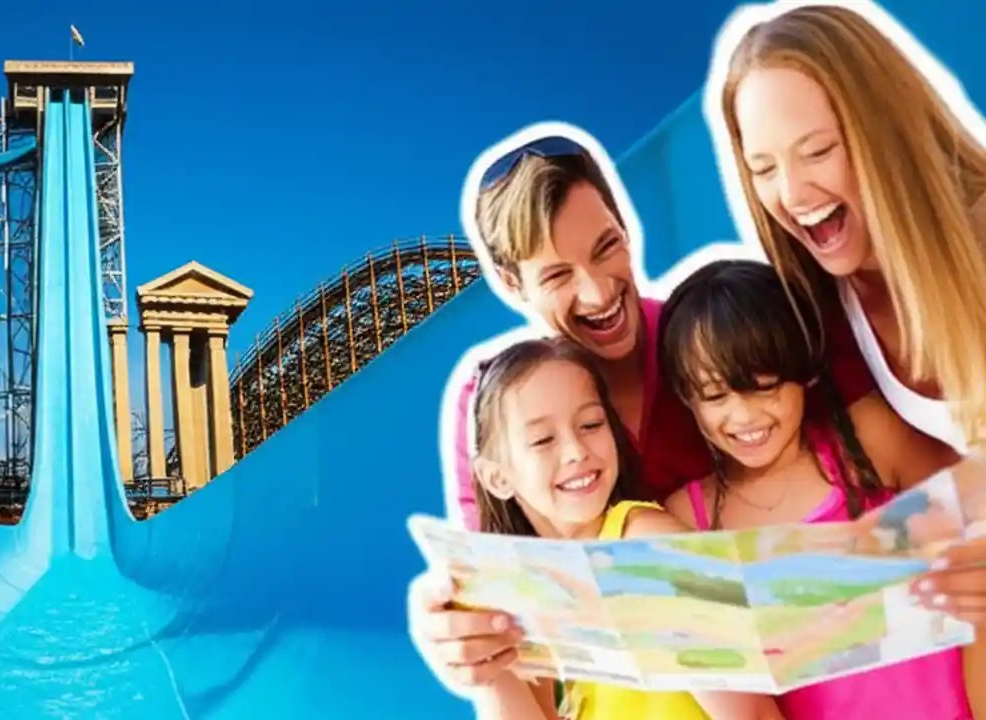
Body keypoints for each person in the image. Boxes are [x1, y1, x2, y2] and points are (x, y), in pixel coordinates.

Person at [708, 3, 986, 706]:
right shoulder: (822, 311)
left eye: (818, 150)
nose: (792, 194)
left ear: (883, 129)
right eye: (763, 166)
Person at [445, 128, 876, 528]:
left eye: (607, 246)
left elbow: (856, 417)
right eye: (557, 276)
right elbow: (487, 565)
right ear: (511, 284)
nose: (597, 293)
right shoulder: (501, 401)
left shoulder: (712, 338)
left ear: (626, 229)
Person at [656, 258, 974, 719]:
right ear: (687, 397)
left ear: (804, 371)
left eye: (764, 387)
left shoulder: (864, 440)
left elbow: (974, 527)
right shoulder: (687, 519)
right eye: (715, 396)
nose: (744, 417)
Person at [414, 335, 783, 720]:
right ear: (496, 477)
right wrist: (491, 670)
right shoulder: (522, 595)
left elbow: (752, 713)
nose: (576, 451)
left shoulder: (648, 549)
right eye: (542, 440)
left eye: (591, 424)